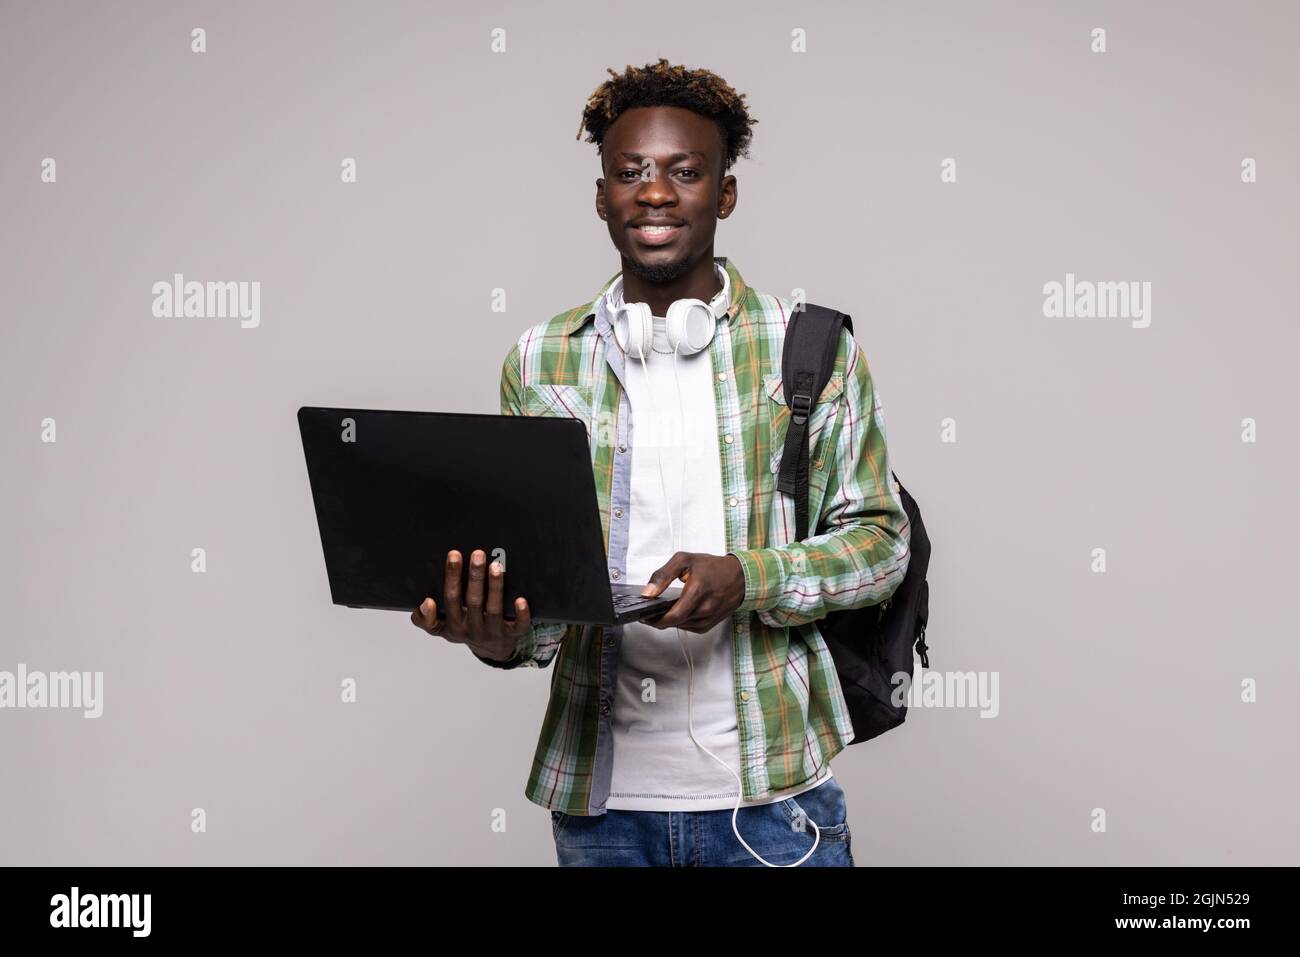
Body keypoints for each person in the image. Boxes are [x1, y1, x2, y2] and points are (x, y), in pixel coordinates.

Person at [410, 59, 911, 867]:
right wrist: (492, 632)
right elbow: (539, 609)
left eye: (685, 171)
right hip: (606, 817)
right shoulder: (540, 362)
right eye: (630, 172)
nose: (654, 193)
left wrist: (748, 577)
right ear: (601, 195)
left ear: (726, 193)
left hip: (772, 804)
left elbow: (881, 543)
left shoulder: (808, 347)